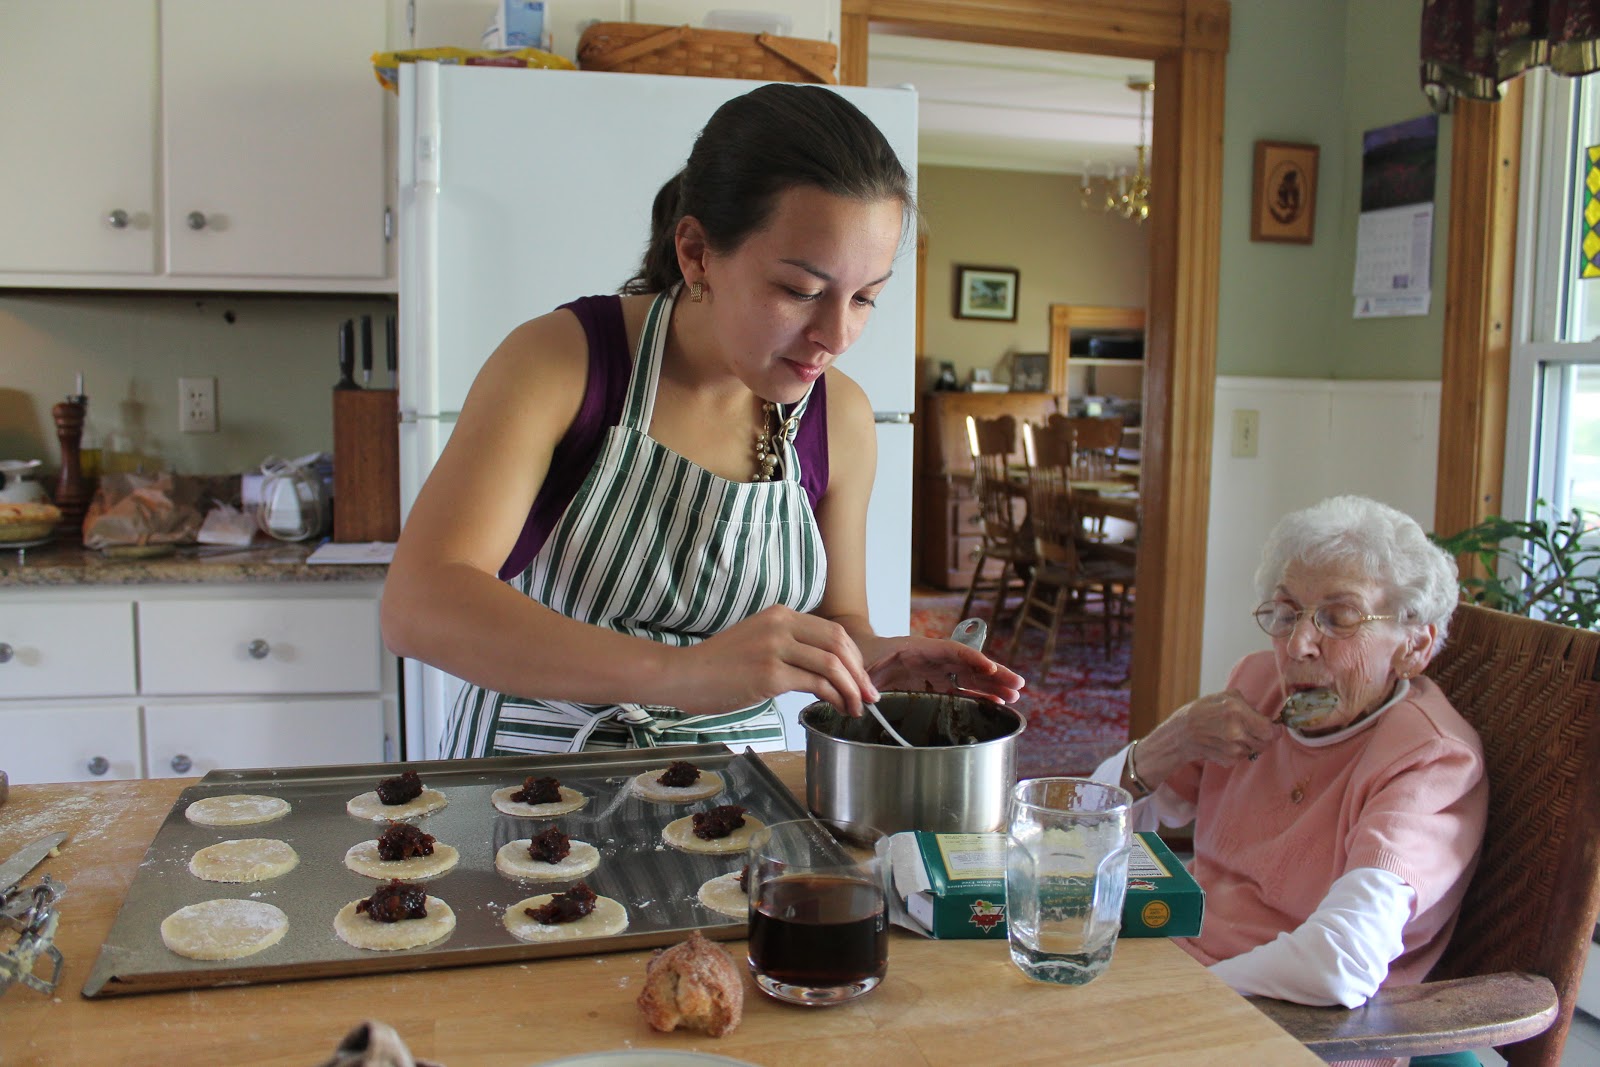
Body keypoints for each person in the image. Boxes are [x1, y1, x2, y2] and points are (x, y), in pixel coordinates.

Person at [382, 83, 1024, 757]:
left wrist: (873, 657)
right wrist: (683, 674)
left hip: (733, 781)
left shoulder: (841, 418)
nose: (835, 334)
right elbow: (419, 603)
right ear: (695, 254)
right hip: (537, 772)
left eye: (865, 297)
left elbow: (836, 618)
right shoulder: (566, 361)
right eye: (800, 291)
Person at [1094, 496, 1486, 1040]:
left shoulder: (1428, 760)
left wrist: (1177, 1004)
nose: (1299, 644)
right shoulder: (1257, 686)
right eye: (1286, 613)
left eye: (1339, 618)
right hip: (1168, 971)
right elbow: (1077, 831)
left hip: (1288, 1028)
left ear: (1413, 646)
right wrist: (1172, 741)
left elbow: (1340, 961)